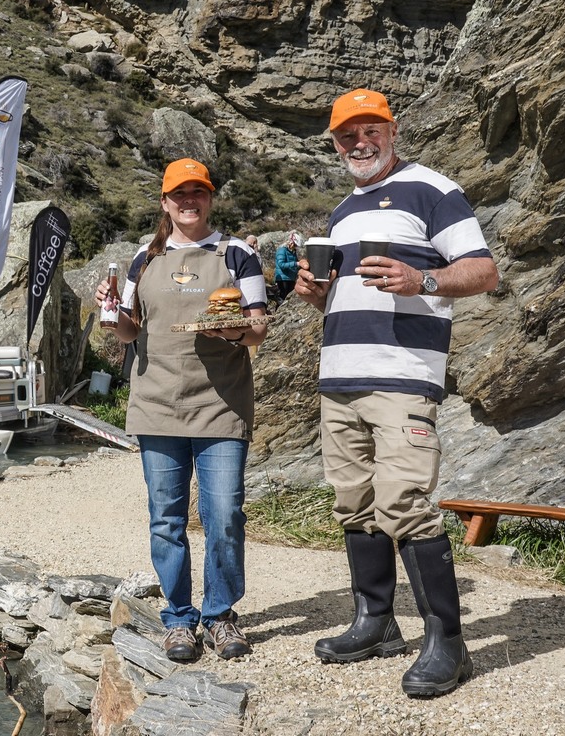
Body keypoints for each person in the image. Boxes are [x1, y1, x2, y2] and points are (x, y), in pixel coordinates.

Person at [295, 88, 499, 697]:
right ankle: (376, 622)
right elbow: (343, 297)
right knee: (354, 504)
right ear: (335, 144)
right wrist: (315, 293)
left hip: (403, 374)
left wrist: (423, 278)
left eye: (370, 131)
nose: (359, 143)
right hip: (341, 376)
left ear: (393, 130)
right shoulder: (342, 212)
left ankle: (448, 644)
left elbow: (484, 271)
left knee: (404, 502)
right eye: (347, 135)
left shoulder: (433, 190)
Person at [95, 157, 269, 662]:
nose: (189, 201)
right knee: (166, 519)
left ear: (209, 198)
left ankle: (219, 615)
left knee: (224, 515)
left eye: (198, 192)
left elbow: (257, 328)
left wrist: (230, 330)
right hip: (156, 403)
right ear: (165, 202)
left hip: (221, 404)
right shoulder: (143, 257)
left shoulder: (236, 254)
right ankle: (178, 619)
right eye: (179, 194)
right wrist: (112, 312)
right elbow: (128, 331)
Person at [273, 230, 301, 304]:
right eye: (295, 245)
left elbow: (294, 264)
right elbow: (281, 264)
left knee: (287, 301)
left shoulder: (293, 252)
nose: (296, 247)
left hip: (290, 279)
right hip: (283, 279)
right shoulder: (282, 250)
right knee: (282, 299)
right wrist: (296, 264)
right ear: (291, 242)